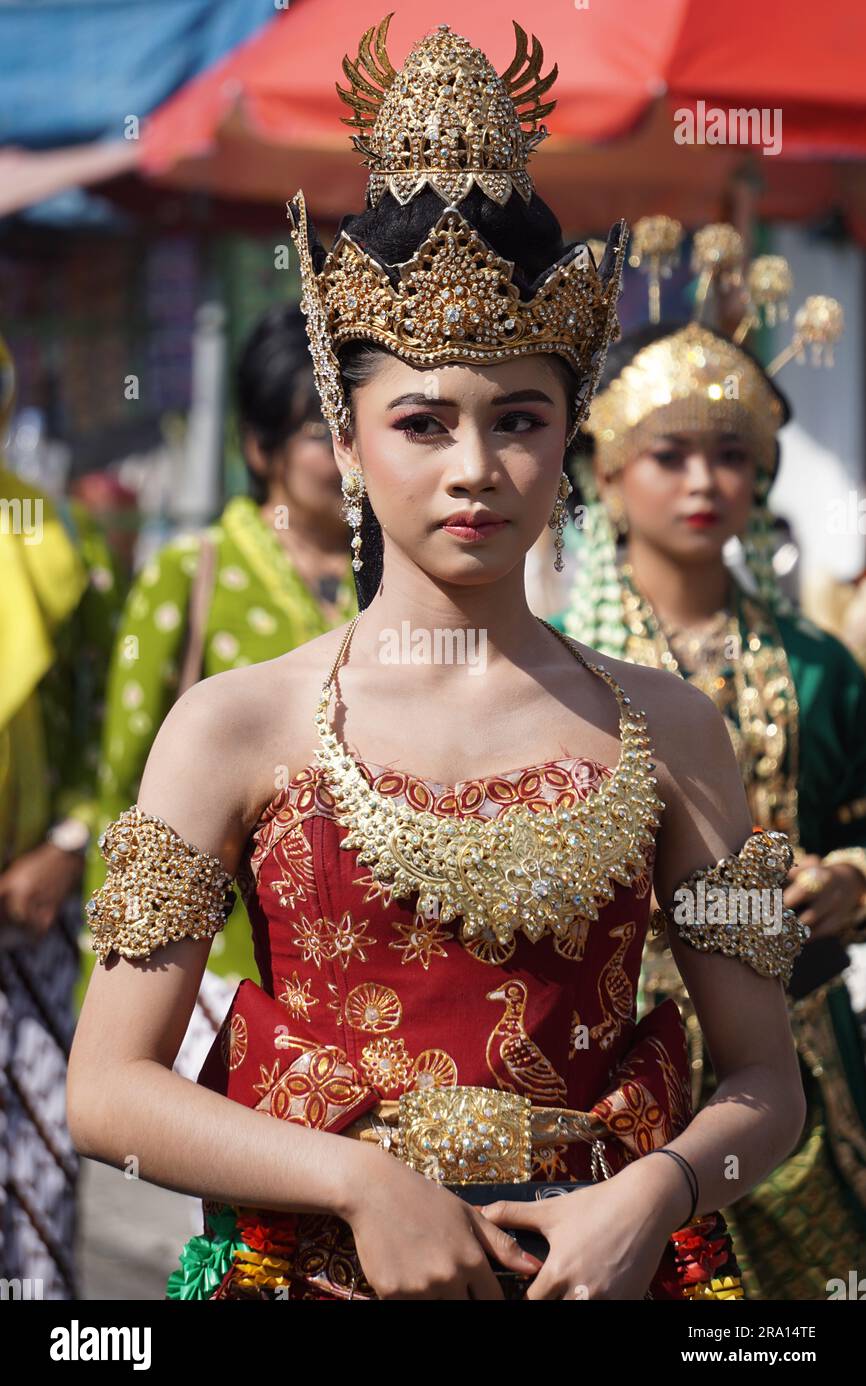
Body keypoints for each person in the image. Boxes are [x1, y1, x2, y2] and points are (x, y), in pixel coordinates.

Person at [68, 19, 808, 1302]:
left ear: (568, 437)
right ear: (345, 445)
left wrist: (656, 1191)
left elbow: (764, 1083)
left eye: (519, 419)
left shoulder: (675, 730)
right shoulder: (231, 724)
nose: (475, 469)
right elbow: (106, 1092)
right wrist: (361, 1184)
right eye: (421, 421)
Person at [550, 222, 866, 1298]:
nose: (704, 480)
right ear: (608, 469)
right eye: (670, 453)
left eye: (732, 454)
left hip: (800, 1050)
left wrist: (846, 880)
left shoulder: (819, 666)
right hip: (603, 1054)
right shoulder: (556, 668)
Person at [82, 306, 358, 1070]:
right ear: (259, 446)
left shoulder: (401, 589)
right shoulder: (191, 572)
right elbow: (124, 789)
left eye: (356, 430)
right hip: (214, 972)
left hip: (365, 970)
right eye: (318, 435)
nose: (345, 458)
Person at [0, 330, 121, 1298]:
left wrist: (68, 841)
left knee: (38, 1164)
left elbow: (103, 723)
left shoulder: (44, 538)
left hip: (27, 916)